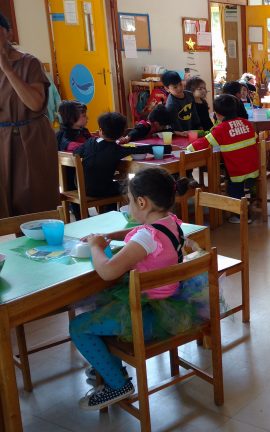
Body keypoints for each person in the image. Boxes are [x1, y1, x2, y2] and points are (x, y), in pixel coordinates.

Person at [70, 168, 206, 410]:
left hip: (145, 317)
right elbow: (139, 235)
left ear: (142, 202)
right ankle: (107, 366)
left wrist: (95, 247)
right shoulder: (171, 222)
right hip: (170, 305)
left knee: (79, 326)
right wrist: (109, 236)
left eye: (130, 202)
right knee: (101, 307)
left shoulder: (146, 237)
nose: (129, 207)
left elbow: (108, 271)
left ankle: (117, 383)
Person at [0, 13, 59, 217]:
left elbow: (35, 103)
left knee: (33, 200)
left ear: (8, 32)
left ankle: (43, 247)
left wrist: (7, 68)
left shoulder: (29, 63)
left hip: (30, 137)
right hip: (3, 138)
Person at [188, 94, 259, 224]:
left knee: (234, 191)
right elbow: (255, 139)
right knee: (245, 191)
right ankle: (247, 207)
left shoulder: (221, 129)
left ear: (218, 114)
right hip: (253, 168)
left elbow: (205, 142)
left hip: (236, 171)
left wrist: (189, 148)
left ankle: (241, 216)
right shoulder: (247, 123)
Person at [74, 112, 158, 204]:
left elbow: (76, 152)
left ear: (101, 130)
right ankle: (123, 211)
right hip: (102, 190)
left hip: (80, 186)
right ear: (121, 134)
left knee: (114, 182)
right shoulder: (117, 150)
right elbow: (140, 149)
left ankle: (109, 211)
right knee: (132, 184)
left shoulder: (90, 142)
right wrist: (168, 148)